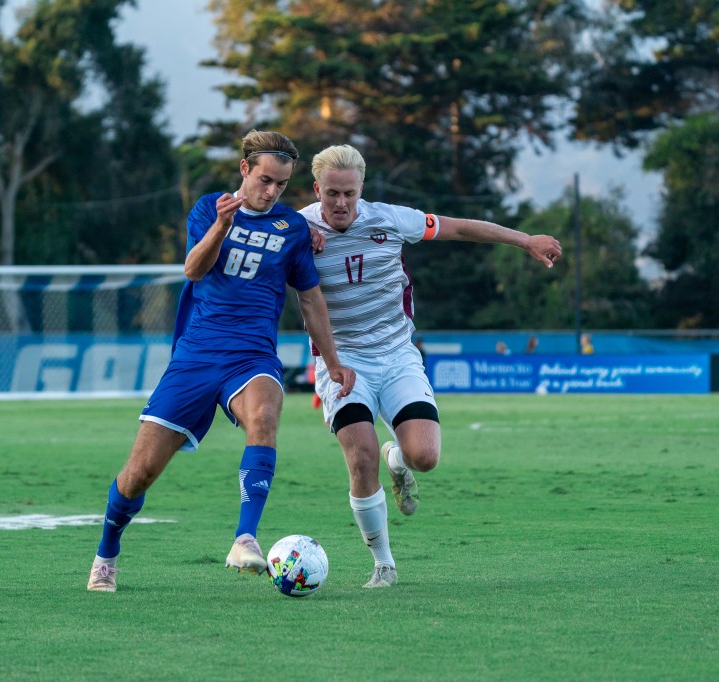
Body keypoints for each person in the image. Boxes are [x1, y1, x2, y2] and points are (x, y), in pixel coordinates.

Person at [87, 131, 356, 592]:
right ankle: (107, 551)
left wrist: (331, 361)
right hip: (195, 356)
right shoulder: (210, 208)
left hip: (251, 356)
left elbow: (310, 299)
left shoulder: (291, 229)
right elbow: (192, 270)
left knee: (266, 416)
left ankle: (244, 537)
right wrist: (220, 227)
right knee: (138, 475)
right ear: (245, 169)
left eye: (282, 185)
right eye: (266, 180)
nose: (272, 192)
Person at [301, 144, 562, 588]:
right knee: (360, 456)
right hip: (342, 363)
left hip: (398, 354)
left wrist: (524, 240)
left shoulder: (390, 218)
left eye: (349, 193)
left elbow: (460, 229)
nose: (341, 203)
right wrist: (290, 235)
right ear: (316, 190)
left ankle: (398, 458)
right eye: (331, 194)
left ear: (362, 189)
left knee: (426, 456)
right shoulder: (295, 227)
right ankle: (383, 564)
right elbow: (250, 223)